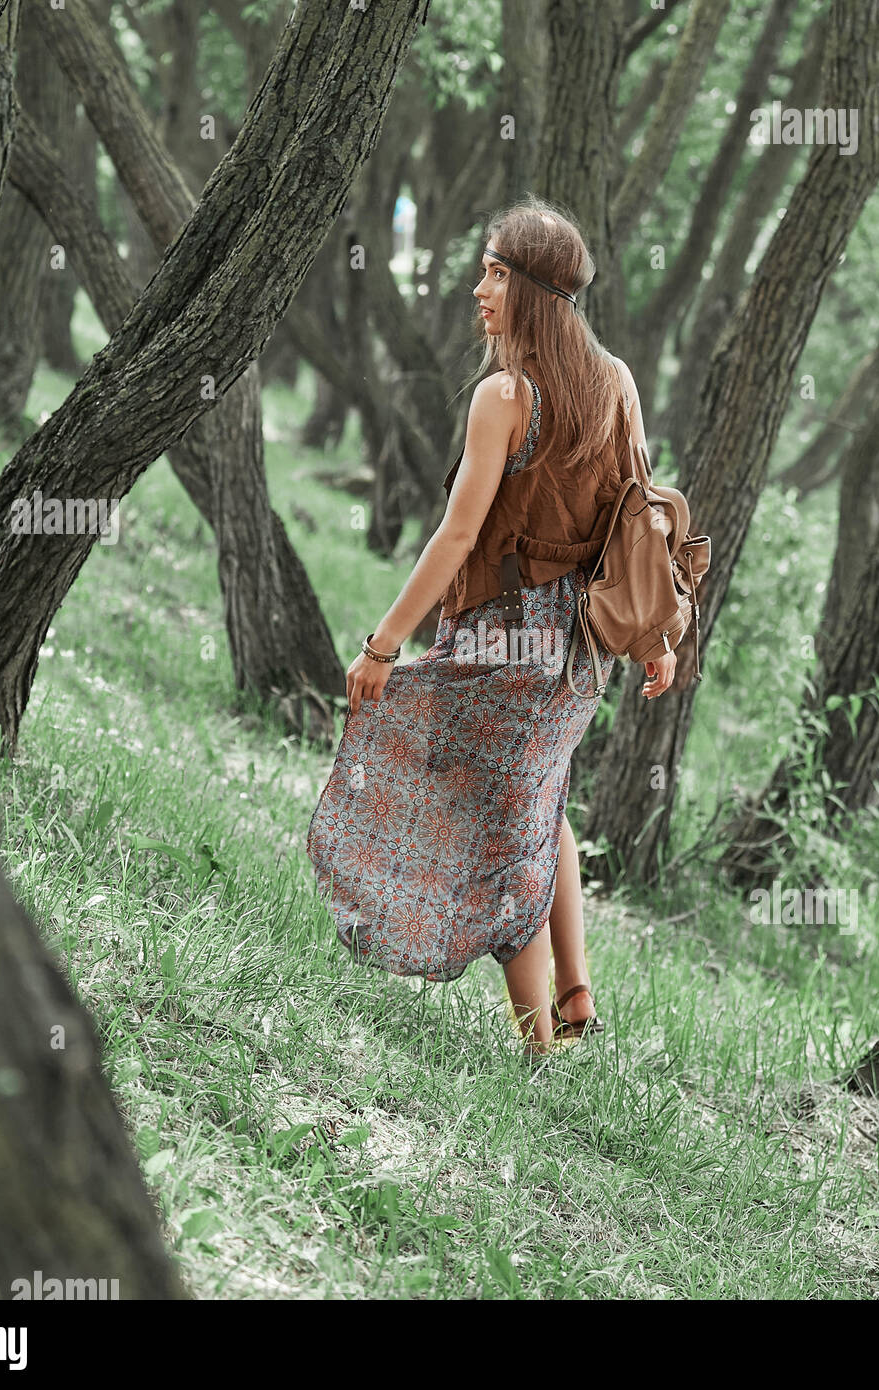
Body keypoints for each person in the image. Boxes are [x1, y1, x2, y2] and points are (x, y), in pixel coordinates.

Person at [306, 197, 676, 1063]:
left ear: (536, 293)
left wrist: (383, 644)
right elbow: (641, 524)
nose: (479, 290)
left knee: (503, 821)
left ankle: (538, 1043)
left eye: (496, 275)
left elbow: (458, 536)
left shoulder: (505, 397)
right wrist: (651, 640)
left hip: (506, 642)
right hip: (581, 655)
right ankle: (574, 992)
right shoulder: (616, 381)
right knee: (535, 803)